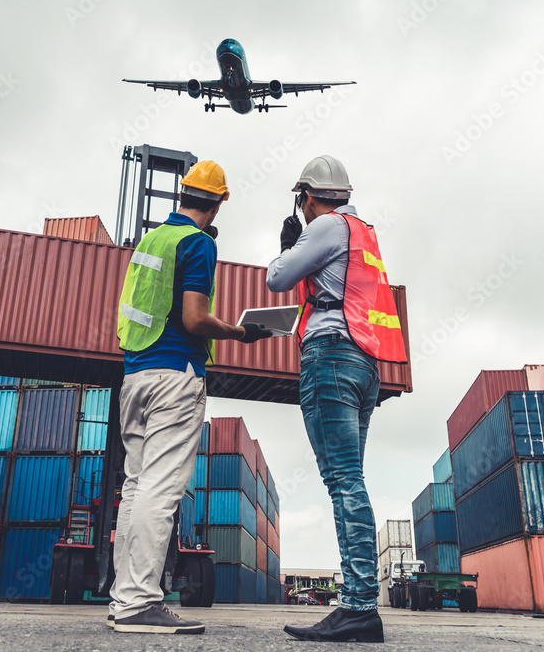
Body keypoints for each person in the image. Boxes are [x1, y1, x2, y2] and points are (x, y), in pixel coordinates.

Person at [111, 160, 271, 635]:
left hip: (134, 376)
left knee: (136, 487)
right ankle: (140, 604)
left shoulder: (151, 240)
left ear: (182, 195)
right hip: (174, 375)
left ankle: (123, 598)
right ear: (220, 201)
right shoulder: (198, 243)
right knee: (160, 490)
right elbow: (195, 318)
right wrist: (242, 332)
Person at [266, 155, 407, 643]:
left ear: (307, 195)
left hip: (330, 354)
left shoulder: (324, 226)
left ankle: (359, 607)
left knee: (343, 482)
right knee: (352, 481)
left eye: (300, 201)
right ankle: (359, 604)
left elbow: (276, 279)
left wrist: (285, 248)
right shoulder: (362, 230)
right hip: (364, 361)